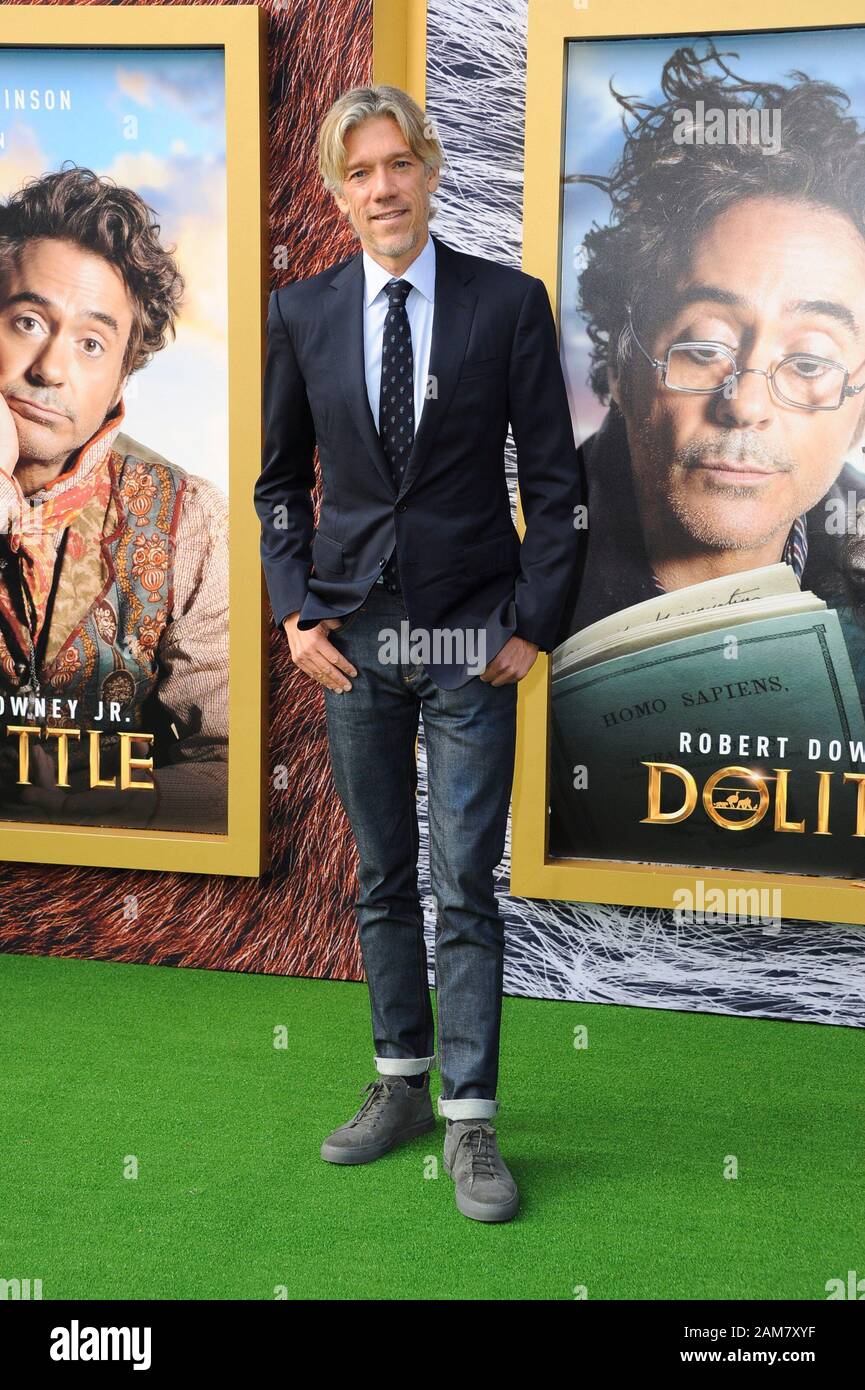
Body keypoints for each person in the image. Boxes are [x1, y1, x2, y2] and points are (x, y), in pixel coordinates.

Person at [255, 85, 581, 1222]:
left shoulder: (506, 306)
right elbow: (276, 486)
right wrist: (295, 610)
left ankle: (472, 1117)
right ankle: (397, 1081)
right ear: (338, 192)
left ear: (429, 169)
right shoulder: (300, 312)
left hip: (466, 644)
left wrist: (531, 622)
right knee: (381, 876)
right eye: (360, 173)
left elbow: (554, 481)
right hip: (354, 643)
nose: (382, 188)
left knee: (464, 883)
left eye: (398, 164)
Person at [560, 44, 865, 640]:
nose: (746, 407)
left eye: (809, 360)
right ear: (623, 365)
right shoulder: (504, 564)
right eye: (703, 349)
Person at [0, 165, 228, 832]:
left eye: (92, 344)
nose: (50, 369)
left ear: (123, 374)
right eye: (27, 322)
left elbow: (236, 759)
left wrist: (142, 804)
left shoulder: (192, 523)